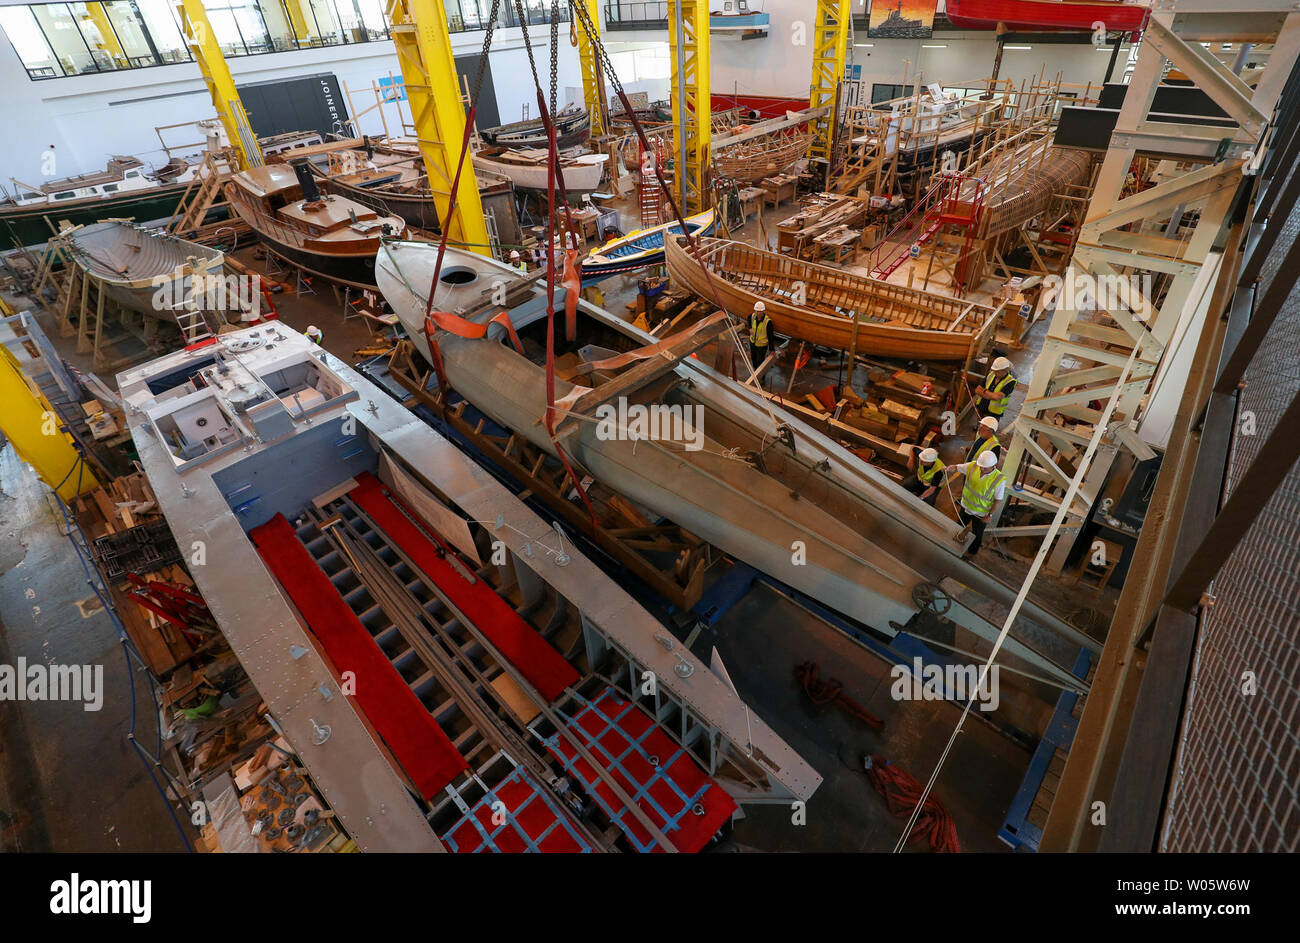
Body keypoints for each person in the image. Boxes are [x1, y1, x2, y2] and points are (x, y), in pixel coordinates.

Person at [946, 449, 1006, 556]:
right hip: (966, 506)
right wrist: (951, 468)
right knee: (959, 526)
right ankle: (951, 545)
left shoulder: (999, 479)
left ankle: (972, 552)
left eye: (985, 468)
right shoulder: (973, 466)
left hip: (981, 513)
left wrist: (990, 515)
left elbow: (997, 500)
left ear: (994, 465)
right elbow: (958, 467)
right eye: (981, 466)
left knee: (977, 534)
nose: (982, 469)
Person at [973, 356, 1017, 423]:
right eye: (995, 371)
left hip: (994, 413)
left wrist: (984, 391)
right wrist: (991, 395)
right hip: (982, 407)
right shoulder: (991, 374)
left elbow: (997, 397)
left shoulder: (1010, 381)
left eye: (997, 372)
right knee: (980, 424)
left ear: (1005, 370)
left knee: (990, 428)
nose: (995, 373)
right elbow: (977, 390)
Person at [747, 300, 772, 370]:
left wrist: (771, 349)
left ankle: (762, 376)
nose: (757, 313)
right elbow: (748, 318)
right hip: (753, 342)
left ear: (763, 311)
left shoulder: (767, 322)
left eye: (759, 311)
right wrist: (750, 328)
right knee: (753, 358)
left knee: (760, 361)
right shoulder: (752, 316)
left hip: (762, 345)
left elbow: (770, 336)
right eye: (756, 311)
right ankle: (755, 370)